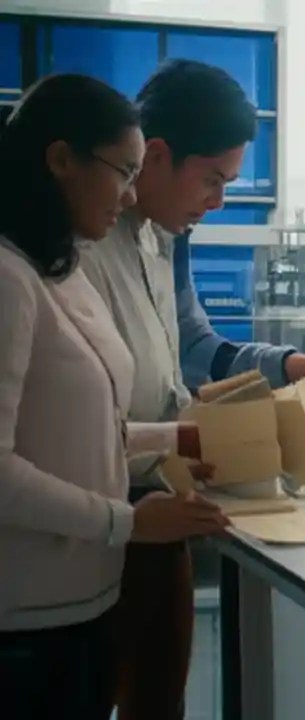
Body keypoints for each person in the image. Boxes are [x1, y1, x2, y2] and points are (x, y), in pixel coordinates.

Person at [75, 59, 305, 719]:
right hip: (97, 504)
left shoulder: (167, 236)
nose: (218, 200)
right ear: (154, 156)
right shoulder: (80, 243)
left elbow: (188, 344)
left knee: (160, 698)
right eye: (212, 179)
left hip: (164, 494)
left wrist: (283, 366)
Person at [0, 74, 228, 720]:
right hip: (27, 625)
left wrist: (176, 438)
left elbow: (84, 427)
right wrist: (127, 522)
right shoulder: (9, 280)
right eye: (122, 172)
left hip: (86, 604)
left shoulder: (60, 272)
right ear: (61, 159)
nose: (131, 195)